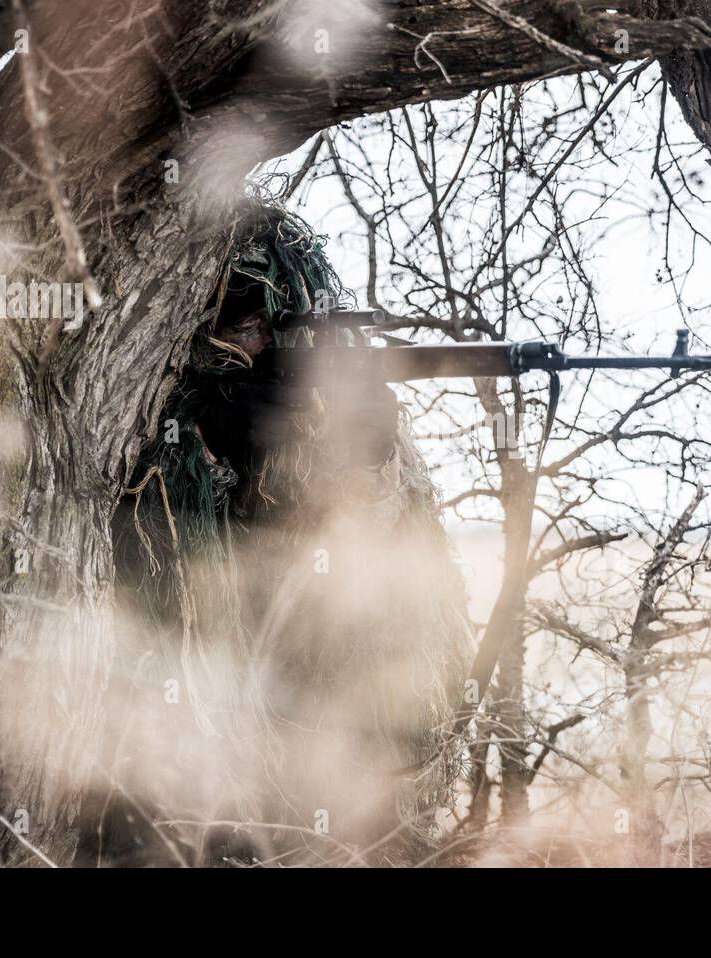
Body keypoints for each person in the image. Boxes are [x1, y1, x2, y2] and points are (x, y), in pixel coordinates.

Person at [99, 198, 473, 864]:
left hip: (314, 728)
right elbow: (162, 551)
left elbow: (369, 567)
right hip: (187, 737)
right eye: (244, 326)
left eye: (270, 328)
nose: (260, 345)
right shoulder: (165, 409)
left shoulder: (329, 414)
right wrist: (219, 435)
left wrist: (367, 451)